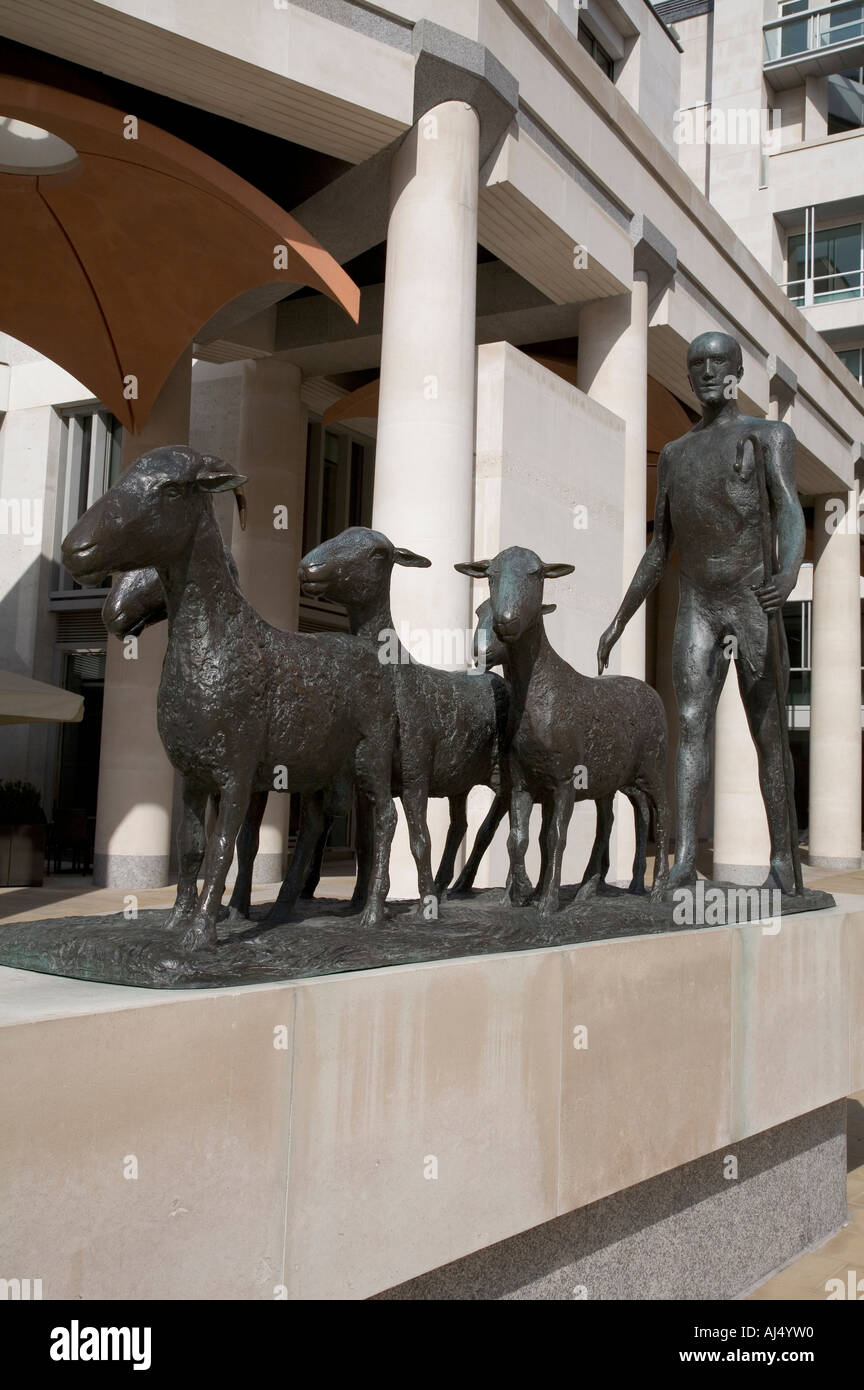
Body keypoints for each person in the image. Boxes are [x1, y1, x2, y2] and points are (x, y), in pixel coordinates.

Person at [597, 331, 805, 891]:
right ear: (688, 375)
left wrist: (787, 573)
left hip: (752, 598)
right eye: (697, 364)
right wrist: (621, 617)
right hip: (699, 605)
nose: (708, 371)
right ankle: (686, 856)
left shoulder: (768, 436)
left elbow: (788, 509)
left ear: (737, 370)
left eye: (719, 362)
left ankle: (783, 860)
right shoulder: (675, 454)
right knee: (690, 724)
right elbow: (659, 547)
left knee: (767, 731)